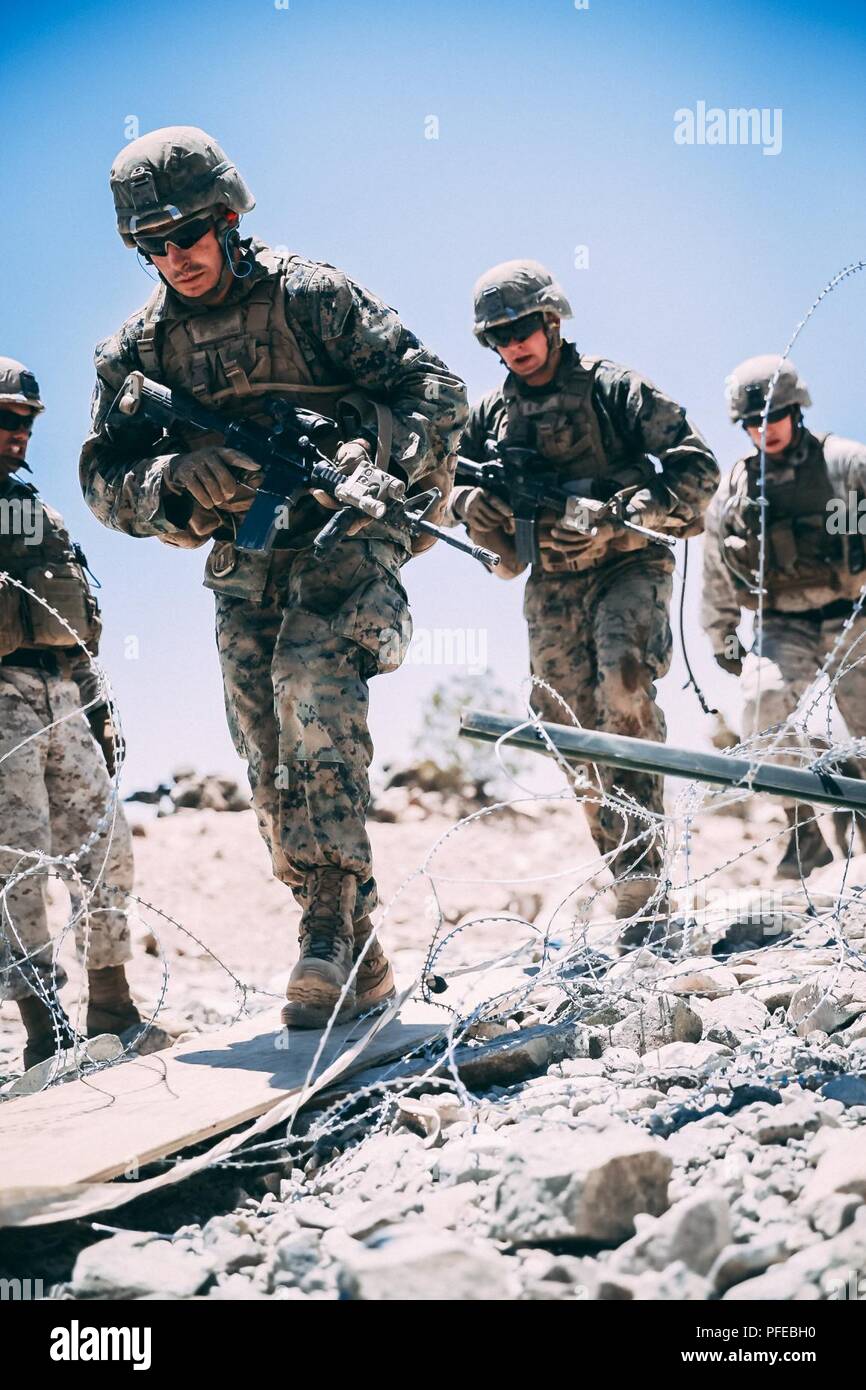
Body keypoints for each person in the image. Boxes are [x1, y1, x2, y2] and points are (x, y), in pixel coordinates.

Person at [80, 127, 468, 1027]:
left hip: (349, 535)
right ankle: (354, 946)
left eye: (187, 234)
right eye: (153, 244)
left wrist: (380, 457)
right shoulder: (138, 352)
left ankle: (329, 924)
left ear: (227, 218)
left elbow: (437, 391)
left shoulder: (313, 299)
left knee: (311, 677)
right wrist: (175, 483)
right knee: (264, 751)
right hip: (247, 564)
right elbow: (104, 478)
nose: (174, 257)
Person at [448, 260, 719, 934]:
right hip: (552, 583)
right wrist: (471, 503)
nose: (512, 344)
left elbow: (698, 469)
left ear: (551, 320)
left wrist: (625, 506)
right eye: (497, 336)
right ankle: (627, 873)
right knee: (568, 726)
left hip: (630, 565)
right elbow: (441, 483)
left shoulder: (614, 388)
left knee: (624, 689)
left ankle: (650, 872)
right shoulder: (491, 418)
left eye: (520, 328)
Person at [0, 355, 141, 1069]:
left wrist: (99, 709)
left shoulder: (40, 515)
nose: (16, 432)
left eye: (25, 421)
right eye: (4, 418)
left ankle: (114, 1005)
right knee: (16, 867)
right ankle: (44, 1031)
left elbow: (74, 620)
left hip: (61, 692)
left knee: (106, 847)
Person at [702, 354, 866, 877]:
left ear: (796, 412)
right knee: (759, 703)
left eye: (772, 417)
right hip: (780, 623)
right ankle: (801, 830)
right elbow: (716, 567)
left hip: (853, 617)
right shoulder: (734, 491)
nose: (762, 430)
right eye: (751, 422)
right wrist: (722, 635)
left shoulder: (847, 464)